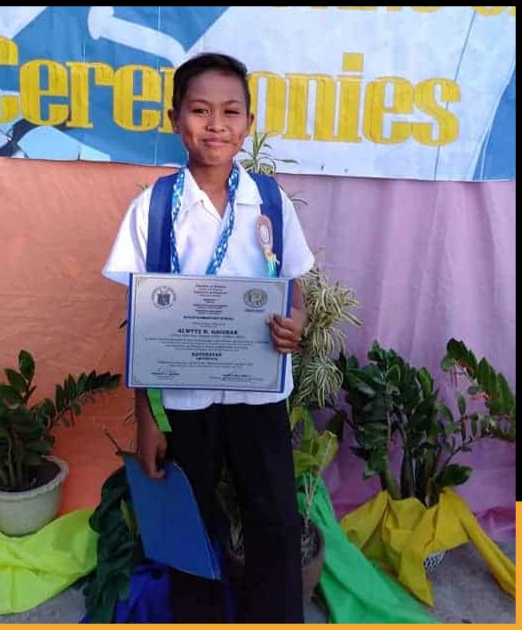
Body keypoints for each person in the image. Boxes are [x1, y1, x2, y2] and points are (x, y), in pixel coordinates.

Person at [101, 51, 313, 624]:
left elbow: (294, 287)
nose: (215, 124)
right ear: (175, 119)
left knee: (274, 519)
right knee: (189, 525)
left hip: (258, 393)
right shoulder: (154, 207)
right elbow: (143, 320)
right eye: (199, 110)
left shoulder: (270, 201)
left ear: (248, 123)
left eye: (230, 111)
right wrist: (146, 418)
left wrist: (297, 321)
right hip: (184, 400)